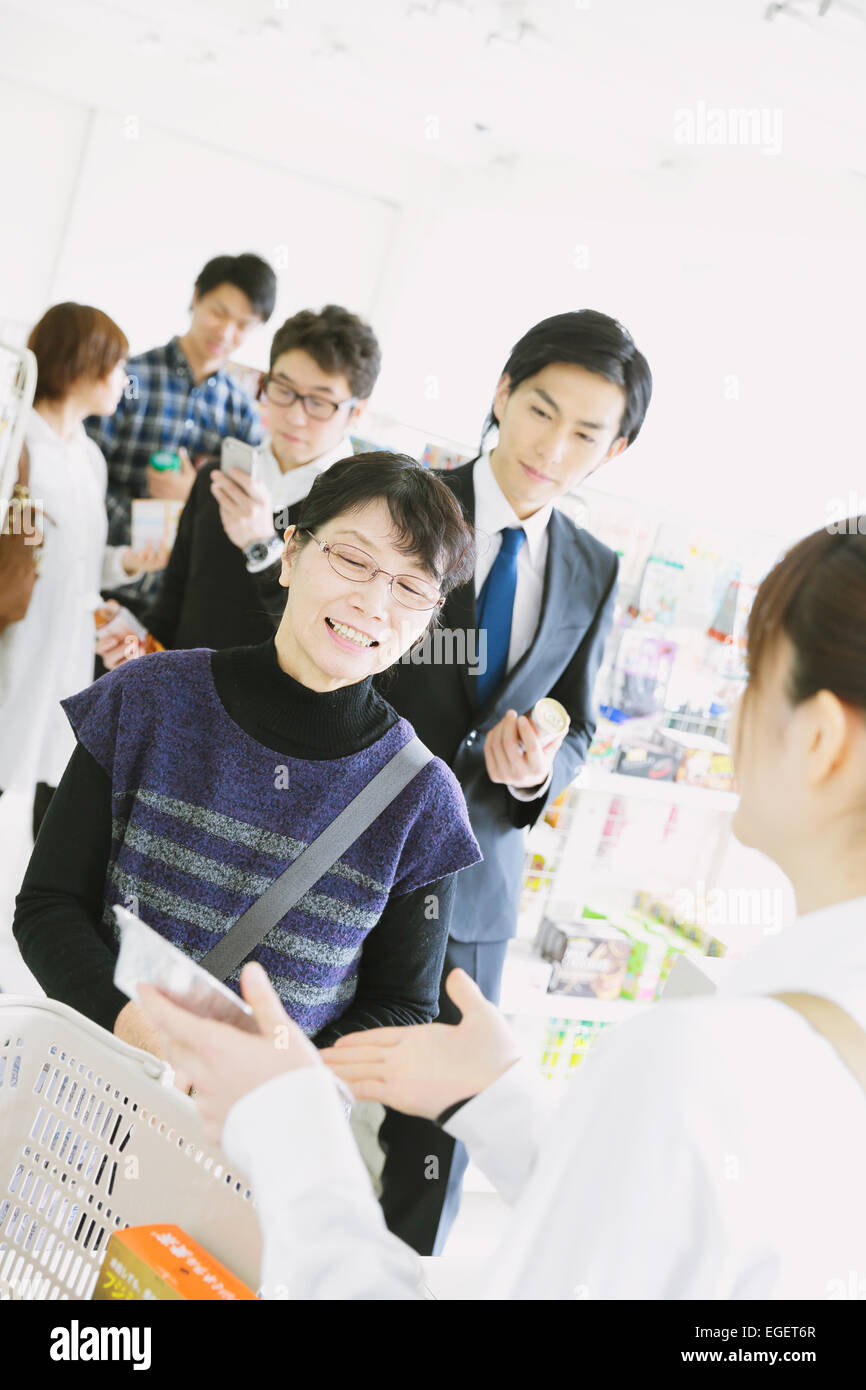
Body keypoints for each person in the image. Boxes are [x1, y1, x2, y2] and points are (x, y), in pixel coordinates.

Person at [140, 518, 866, 1300]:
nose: (732, 722)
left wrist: (285, 1127)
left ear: (820, 737)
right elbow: (663, 1245)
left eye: (751, 683)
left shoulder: (700, 1061)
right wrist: (502, 1103)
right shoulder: (792, 1049)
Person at [13, 455, 481, 1071]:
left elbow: (401, 1007)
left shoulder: (423, 800)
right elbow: (48, 904)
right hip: (83, 1103)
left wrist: (271, 1086)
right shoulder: (148, 699)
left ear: (426, 624)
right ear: (290, 554)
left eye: (411, 585)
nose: (372, 601)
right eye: (352, 559)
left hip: (259, 1149)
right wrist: (141, 1033)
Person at [373, 309, 653, 1253]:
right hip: (339, 847)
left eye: (586, 433)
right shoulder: (401, 504)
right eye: (540, 410)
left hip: (473, 885)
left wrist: (541, 762)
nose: (552, 446)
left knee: (439, 1136)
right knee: (265, 1077)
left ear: (612, 451)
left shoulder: (594, 566)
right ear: (501, 394)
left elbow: (582, 718)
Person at [94, 305, 381, 658]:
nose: (294, 415)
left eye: (319, 403)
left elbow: (331, 646)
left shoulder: (362, 511)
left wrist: (261, 544)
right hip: (182, 695)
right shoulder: (217, 479)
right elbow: (171, 608)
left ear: (357, 412)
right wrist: (136, 644)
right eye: (283, 389)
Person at [0, 303, 168, 840]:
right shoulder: (14, 434)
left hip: (67, 642)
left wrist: (126, 562)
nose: (123, 381)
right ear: (84, 362)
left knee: (47, 769)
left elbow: (79, 563)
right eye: (116, 366)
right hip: (15, 632)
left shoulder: (89, 457)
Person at [84, 251, 277, 614]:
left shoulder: (242, 415)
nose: (225, 332)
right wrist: (152, 524)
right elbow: (82, 480)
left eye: (243, 324)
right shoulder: (127, 380)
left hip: (178, 607)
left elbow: (241, 519)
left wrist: (193, 496)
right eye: (218, 312)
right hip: (101, 581)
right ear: (195, 298)